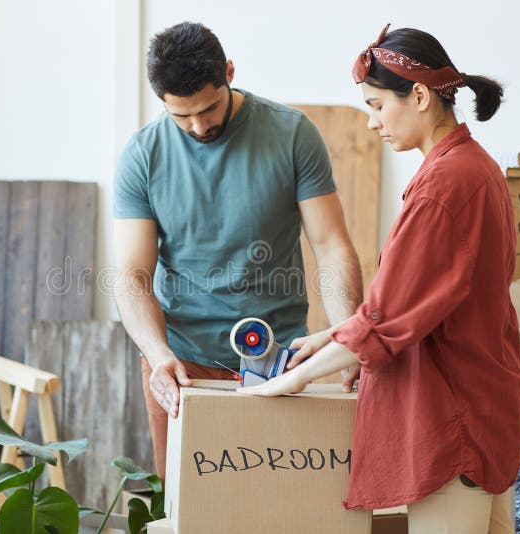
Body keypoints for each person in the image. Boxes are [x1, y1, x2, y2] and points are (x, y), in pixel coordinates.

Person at [239, 24, 520, 533]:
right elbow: (430, 297)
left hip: (452, 419)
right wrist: (334, 334)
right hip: (484, 406)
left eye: (377, 105)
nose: (372, 123)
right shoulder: (474, 166)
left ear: (418, 96)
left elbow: (388, 317)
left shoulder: (444, 184)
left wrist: (292, 379)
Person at [112, 21, 362, 480]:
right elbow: (132, 273)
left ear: (229, 72)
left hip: (280, 361)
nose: (198, 126)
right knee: (187, 508)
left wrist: (350, 338)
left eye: (208, 108)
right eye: (181, 116)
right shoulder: (142, 155)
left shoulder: (292, 134)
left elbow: (330, 246)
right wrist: (158, 353)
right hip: (180, 367)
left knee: (279, 504)